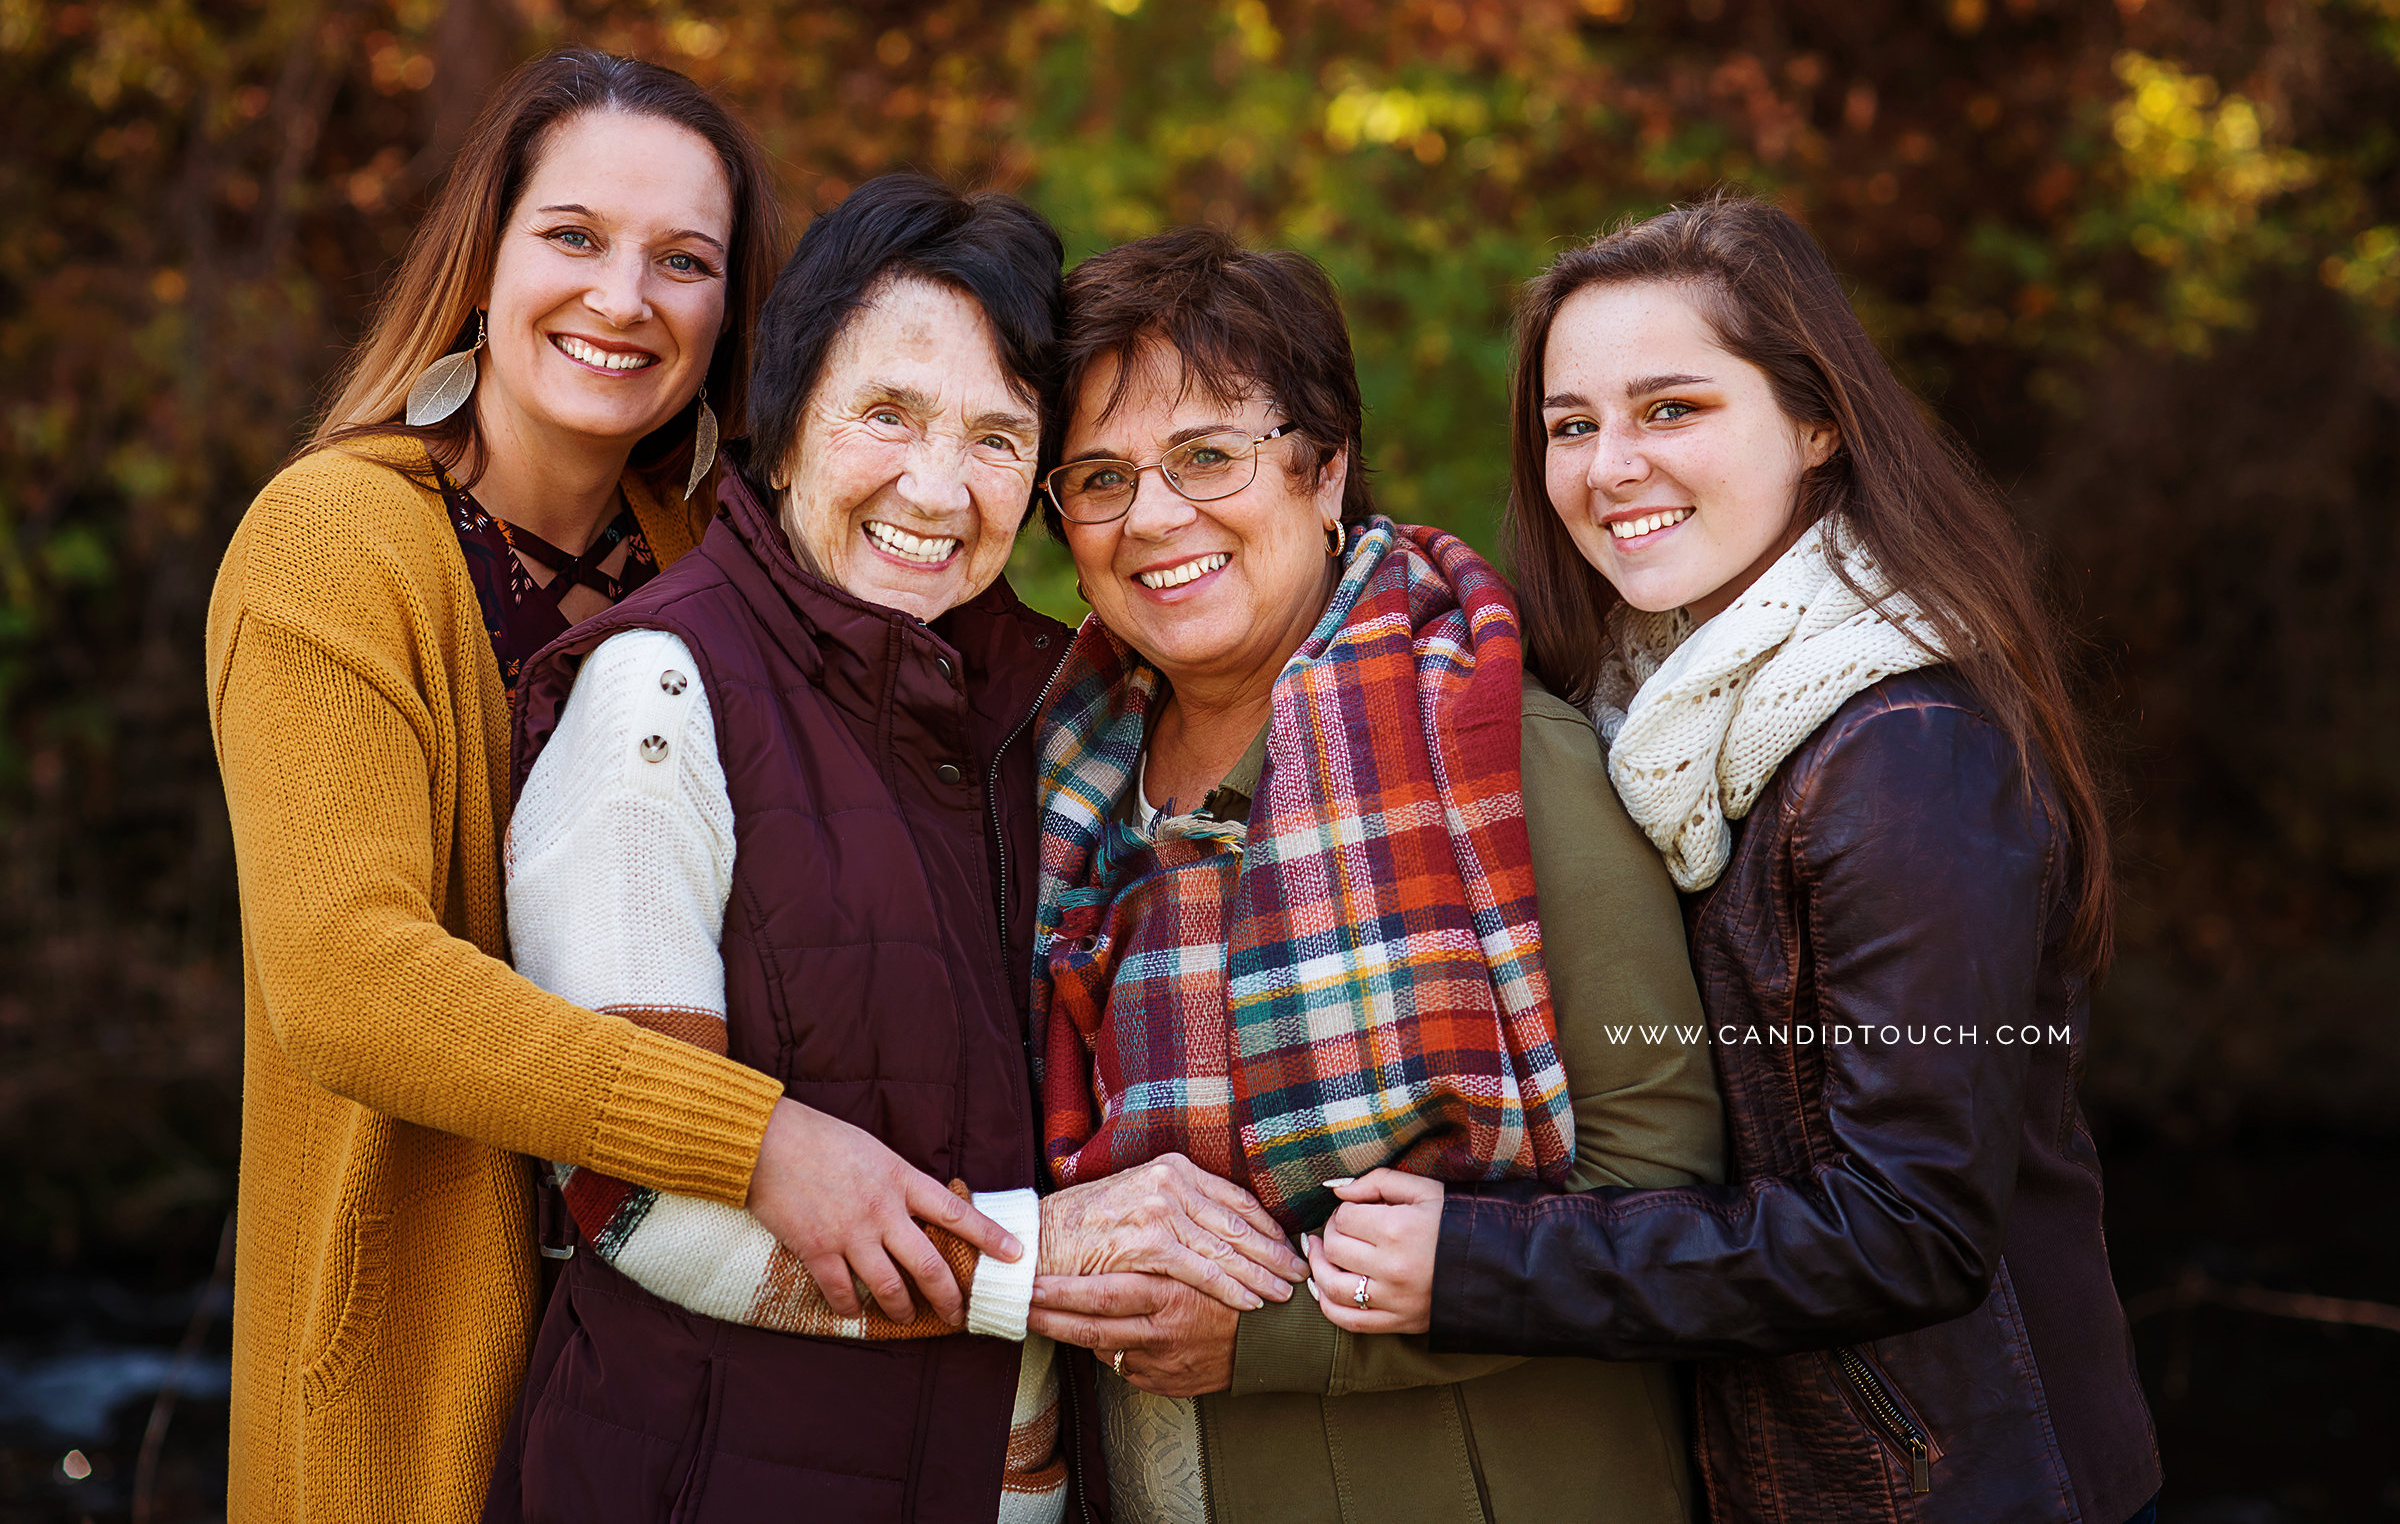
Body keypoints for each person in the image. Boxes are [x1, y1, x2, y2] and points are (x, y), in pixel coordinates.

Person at [1315, 193, 2163, 1524]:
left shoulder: (1903, 753)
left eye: (1672, 409)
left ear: (1819, 423)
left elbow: (1910, 1229)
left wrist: (1480, 1265)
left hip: (1965, 1492)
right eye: (1571, 425)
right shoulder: (1649, 718)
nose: (1611, 466)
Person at [485, 175, 1309, 1523]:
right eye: (888, 414)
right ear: (784, 432)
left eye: (996, 436)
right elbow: (623, 1191)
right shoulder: (660, 694)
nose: (938, 486)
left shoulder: (1060, 705)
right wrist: (1023, 1265)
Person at [202, 48, 855, 1522]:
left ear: (729, 307)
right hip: (432, 1374)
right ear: (482, 259)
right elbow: (347, 977)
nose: (623, 299)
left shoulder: (729, 560)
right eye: (574, 237)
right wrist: (754, 1139)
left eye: (683, 260)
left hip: (700, 1373)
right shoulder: (333, 545)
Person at [1018, 228, 1726, 1524]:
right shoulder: (1058, 783)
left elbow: (1661, 1176)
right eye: (1100, 476)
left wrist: (1291, 1333)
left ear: (1324, 462)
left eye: (1208, 455)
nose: (1157, 515)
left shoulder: (1496, 748)